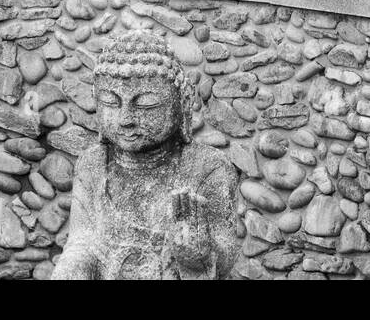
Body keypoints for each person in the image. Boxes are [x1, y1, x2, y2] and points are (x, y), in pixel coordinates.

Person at [51, 32, 239, 280]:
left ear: (181, 103)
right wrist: (69, 271)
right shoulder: (93, 164)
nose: (126, 119)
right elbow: (81, 243)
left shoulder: (209, 168)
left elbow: (225, 256)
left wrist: (196, 258)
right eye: (111, 102)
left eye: (146, 104)